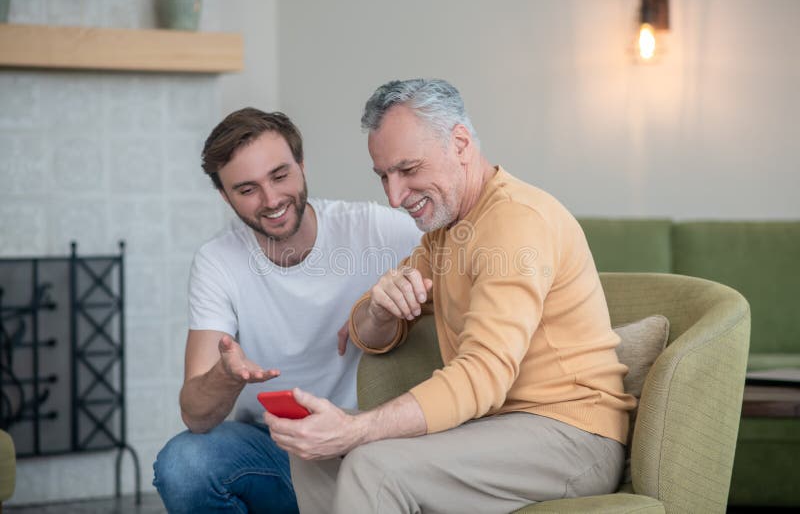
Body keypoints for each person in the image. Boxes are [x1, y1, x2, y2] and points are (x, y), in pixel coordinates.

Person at [264, 79, 637, 513]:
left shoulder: (514, 224)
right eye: (384, 176)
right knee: (314, 454)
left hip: (571, 437)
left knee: (372, 465)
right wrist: (382, 309)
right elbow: (362, 329)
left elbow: (484, 374)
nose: (394, 196)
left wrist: (358, 428)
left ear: (459, 143)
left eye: (408, 170)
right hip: (494, 430)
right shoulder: (447, 231)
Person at [152, 107, 421, 513]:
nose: (272, 199)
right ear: (225, 197)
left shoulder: (376, 231)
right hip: (274, 448)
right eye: (247, 189)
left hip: (364, 444)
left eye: (280, 176)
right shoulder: (217, 261)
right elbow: (196, 416)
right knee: (184, 463)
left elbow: (471, 250)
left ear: (301, 165)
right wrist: (227, 375)